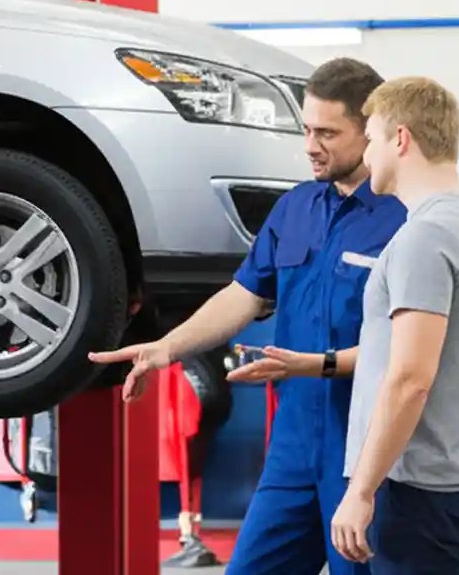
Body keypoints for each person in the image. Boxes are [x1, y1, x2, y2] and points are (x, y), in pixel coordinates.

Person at [89, 57, 407, 575]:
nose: (310, 145)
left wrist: (320, 365)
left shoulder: (404, 218)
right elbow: (244, 295)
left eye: (327, 132)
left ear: (370, 132)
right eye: (306, 129)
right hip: (292, 449)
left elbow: (406, 351)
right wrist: (166, 347)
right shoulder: (295, 208)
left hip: (368, 454)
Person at [327, 76, 459, 573]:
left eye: (372, 140)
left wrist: (361, 491)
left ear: (401, 139)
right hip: (451, 479)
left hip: (415, 488)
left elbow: (410, 378)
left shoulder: (424, 238)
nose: (366, 157)